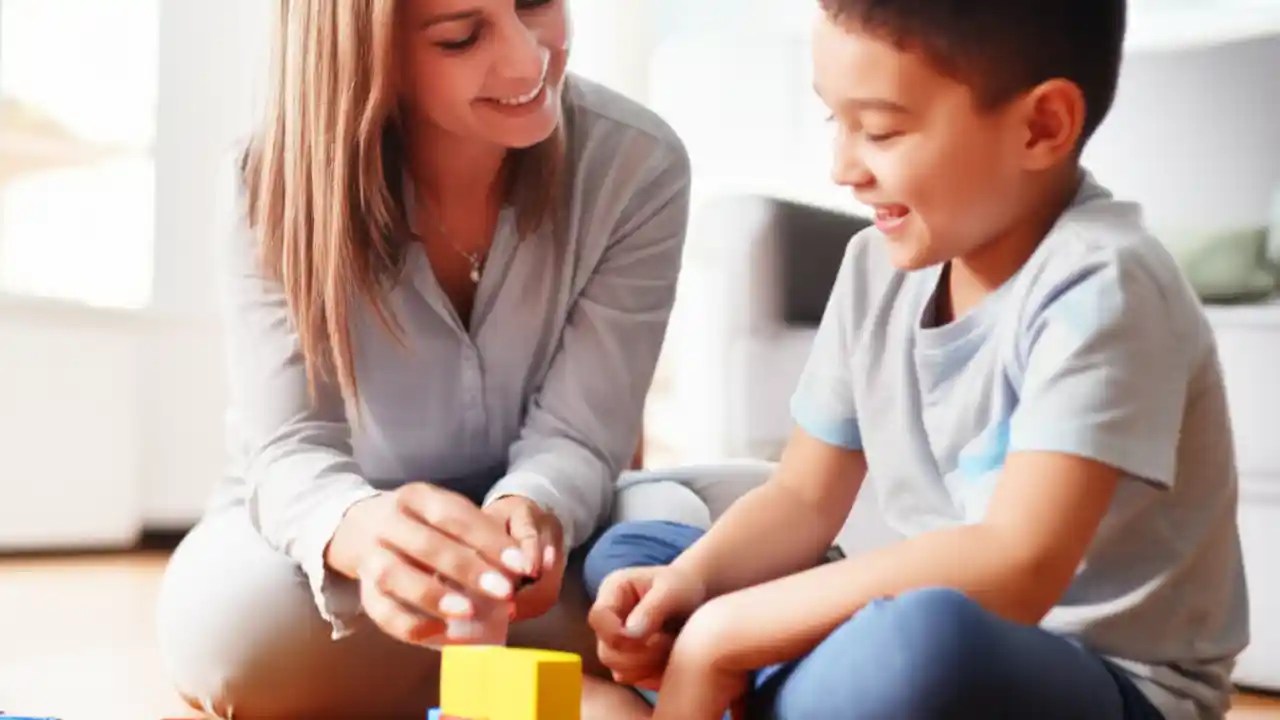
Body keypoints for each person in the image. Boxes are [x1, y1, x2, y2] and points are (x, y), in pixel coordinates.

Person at [585, 1, 1250, 718]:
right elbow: (803, 498)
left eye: (880, 131)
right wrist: (694, 585)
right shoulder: (877, 267)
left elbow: (1016, 566)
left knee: (923, 646)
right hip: (922, 641)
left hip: (1103, 681)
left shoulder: (1104, 286)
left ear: (1042, 126)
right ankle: (763, 688)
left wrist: (725, 634)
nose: (842, 167)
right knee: (640, 559)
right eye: (833, 122)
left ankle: (739, 688)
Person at [155, 0, 690, 717]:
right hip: (340, 544)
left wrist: (532, 507)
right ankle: (542, 678)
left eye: (536, 3)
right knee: (236, 626)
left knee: (691, 525)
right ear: (368, 56)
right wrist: (364, 537)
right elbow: (289, 453)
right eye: (461, 36)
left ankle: (450, 677)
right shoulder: (269, 182)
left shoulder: (637, 165)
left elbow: (584, 436)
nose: (530, 60)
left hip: (548, 546)